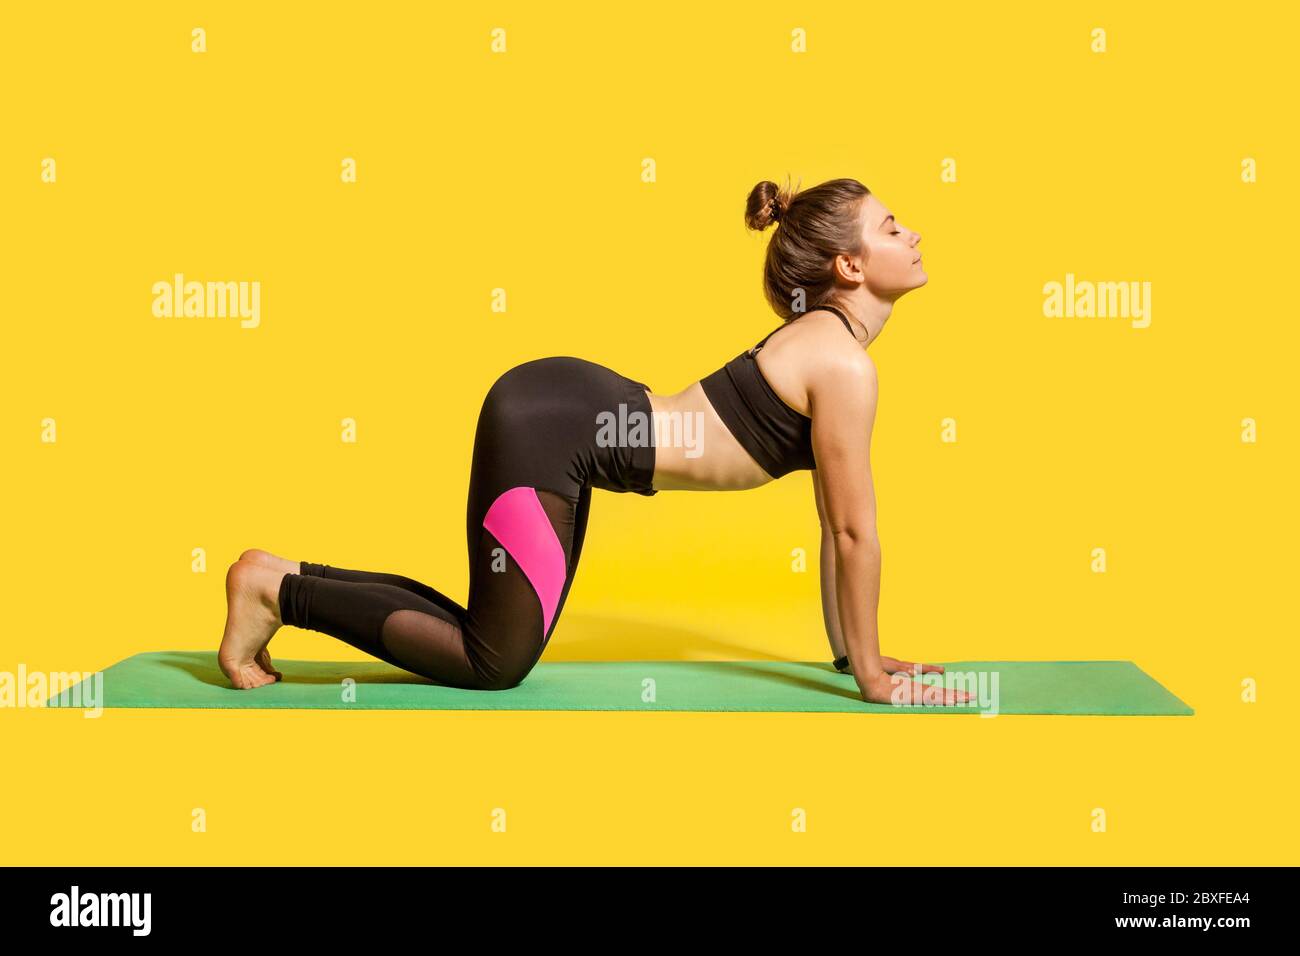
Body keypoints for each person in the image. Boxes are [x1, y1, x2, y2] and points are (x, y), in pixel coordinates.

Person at [218, 176, 974, 706]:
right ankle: (276, 591)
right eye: (891, 227)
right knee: (495, 661)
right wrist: (874, 677)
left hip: (563, 419)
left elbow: (833, 526)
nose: (913, 235)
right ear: (850, 267)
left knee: (490, 635)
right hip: (555, 429)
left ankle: (278, 580)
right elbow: (851, 532)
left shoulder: (829, 348)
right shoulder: (841, 361)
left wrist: (853, 658)